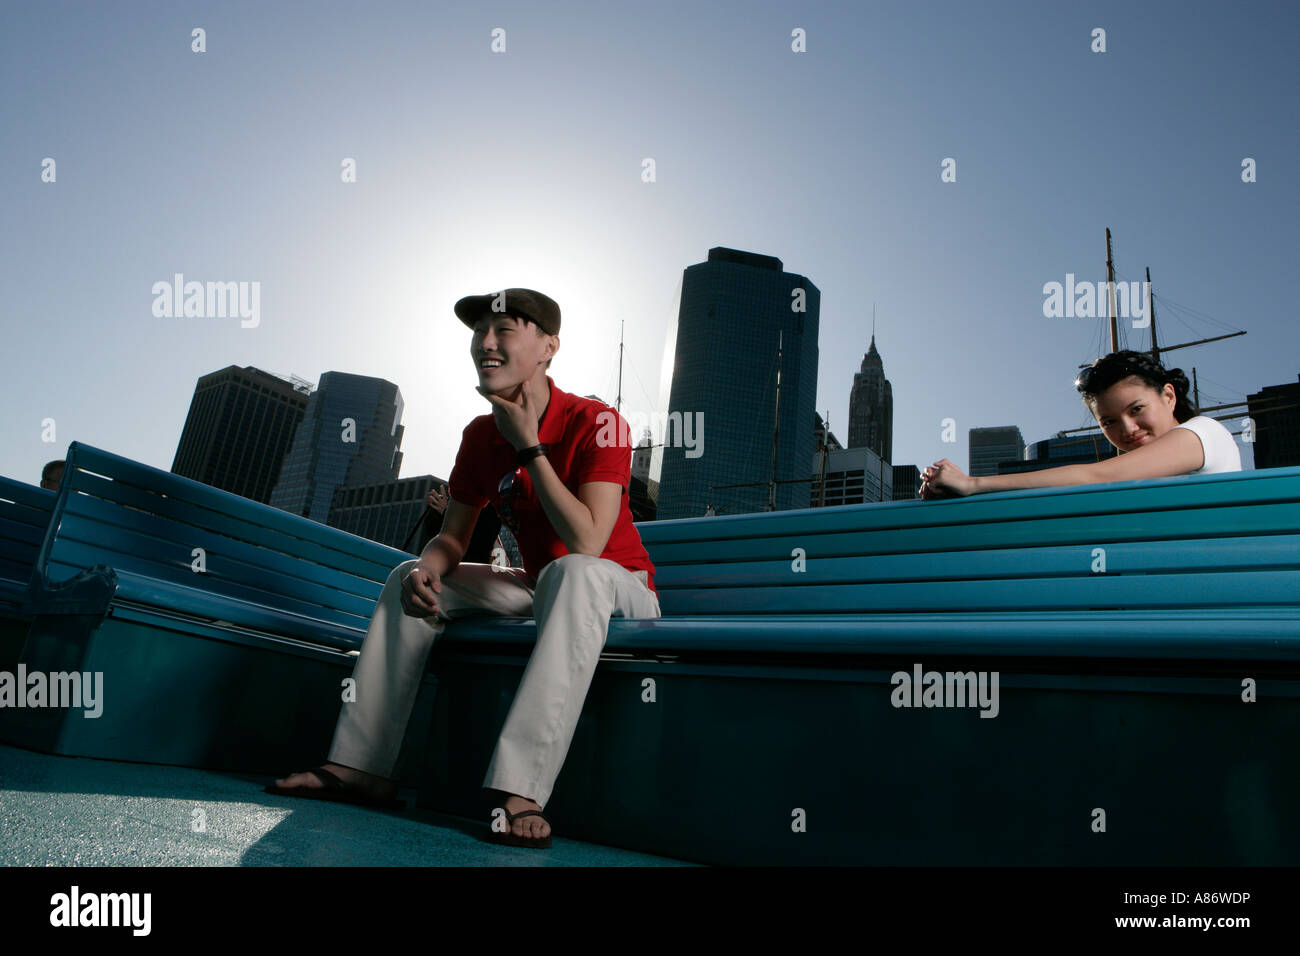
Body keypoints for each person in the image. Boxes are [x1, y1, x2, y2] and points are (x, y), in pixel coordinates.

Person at [267, 288, 660, 849]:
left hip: (622, 589)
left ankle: (521, 789)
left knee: (574, 572)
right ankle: (361, 768)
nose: (487, 343)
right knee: (409, 577)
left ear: (549, 347)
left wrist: (529, 447)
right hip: (540, 584)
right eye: (480, 332)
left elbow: (589, 541)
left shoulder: (600, 422)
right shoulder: (479, 436)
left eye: (506, 329)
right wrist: (428, 566)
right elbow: (453, 536)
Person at [921, 350, 1241, 499]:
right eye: (1109, 421)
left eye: (1137, 409)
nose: (1128, 429)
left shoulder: (1205, 434)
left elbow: (1093, 475)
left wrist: (973, 484)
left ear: (1168, 396)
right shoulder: (1138, 478)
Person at [413, 480, 502, 564]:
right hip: (444, 564)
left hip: (469, 570)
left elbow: (479, 543)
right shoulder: (459, 494)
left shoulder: (492, 501)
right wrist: (436, 512)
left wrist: (445, 513)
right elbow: (433, 534)